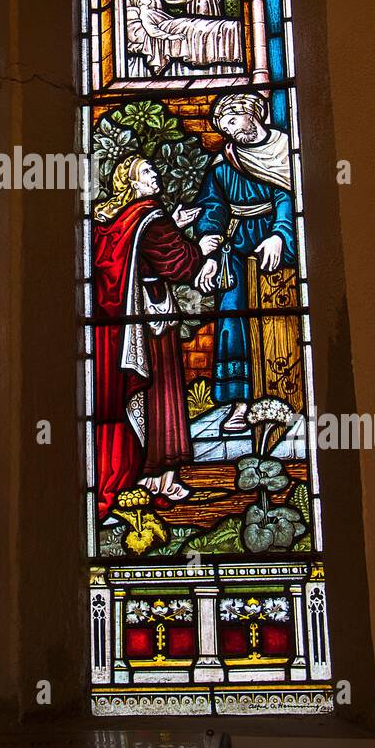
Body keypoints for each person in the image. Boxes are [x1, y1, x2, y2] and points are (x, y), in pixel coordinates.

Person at [93, 155, 202, 519]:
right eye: (147, 173)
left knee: (149, 397)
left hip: (133, 320)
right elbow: (179, 263)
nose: (156, 176)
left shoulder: (116, 221)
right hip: (152, 321)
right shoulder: (150, 218)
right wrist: (205, 249)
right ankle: (164, 477)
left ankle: (148, 476)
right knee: (163, 393)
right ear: (132, 184)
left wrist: (175, 224)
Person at [193, 91, 295, 433]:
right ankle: (239, 404)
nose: (231, 132)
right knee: (231, 315)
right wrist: (208, 248)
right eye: (224, 127)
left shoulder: (284, 150)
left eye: (233, 121)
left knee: (281, 311)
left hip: (275, 240)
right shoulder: (226, 163)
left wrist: (280, 235)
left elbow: (286, 197)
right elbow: (213, 206)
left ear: (251, 113)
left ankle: (288, 395)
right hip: (234, 247)